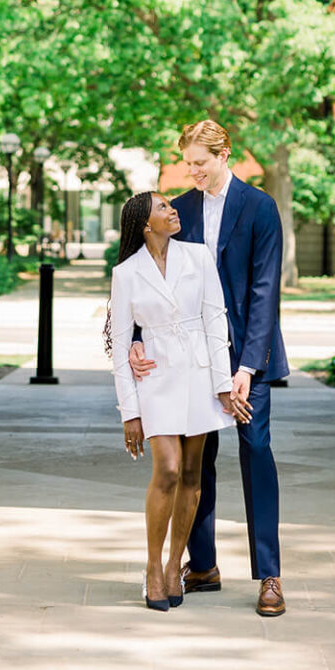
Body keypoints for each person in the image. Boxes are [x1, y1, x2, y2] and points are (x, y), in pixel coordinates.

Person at [130, 119, 289, 617]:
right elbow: (148, 272)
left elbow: (265, 291)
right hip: (191, 359)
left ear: (225, 155)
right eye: (188, 164)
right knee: (196, 460)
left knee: (256, 450)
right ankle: (202, 565)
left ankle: (269, 575)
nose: (192, 172)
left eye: (200, 163)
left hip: (247, 358)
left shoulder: (260, 207)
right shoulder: (181, 211)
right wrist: (134, 340)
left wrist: (245, 367)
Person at [106, 190, 249, 610]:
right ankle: (152, 567)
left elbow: (214, 318)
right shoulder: (127, 272)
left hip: (200, 376)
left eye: (171, 204)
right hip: (155, 378)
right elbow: (119, 346)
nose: (173, 210)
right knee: (166, 468)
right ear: (146, 225)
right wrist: (129, 412)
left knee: (191, 472)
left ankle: (174, 567)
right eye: (163, 207)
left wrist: (222, 383)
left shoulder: (198, 255)